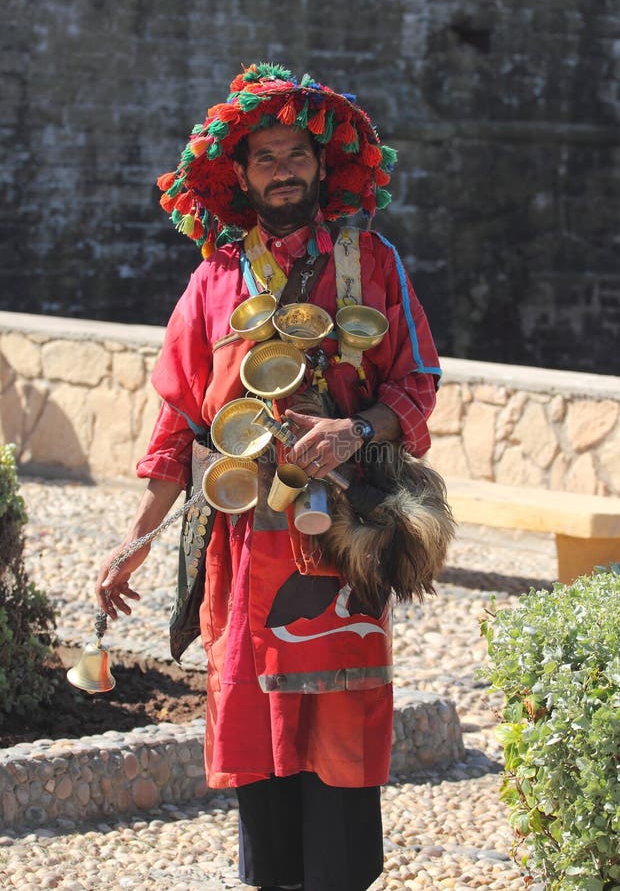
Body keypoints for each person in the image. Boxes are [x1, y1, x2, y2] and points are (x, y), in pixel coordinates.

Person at [95, 63, 442, 891]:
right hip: (243, 548)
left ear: (323, 167)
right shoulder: (214, 282)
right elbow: (177, 424)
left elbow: (416, 382)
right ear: (241, 177)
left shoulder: (373, 265)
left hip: (348, 542)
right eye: (266, 157)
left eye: (296, 153)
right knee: (253, 721)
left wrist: (355, 427)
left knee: (344, 724)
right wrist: (135, 542)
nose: (283, 168)